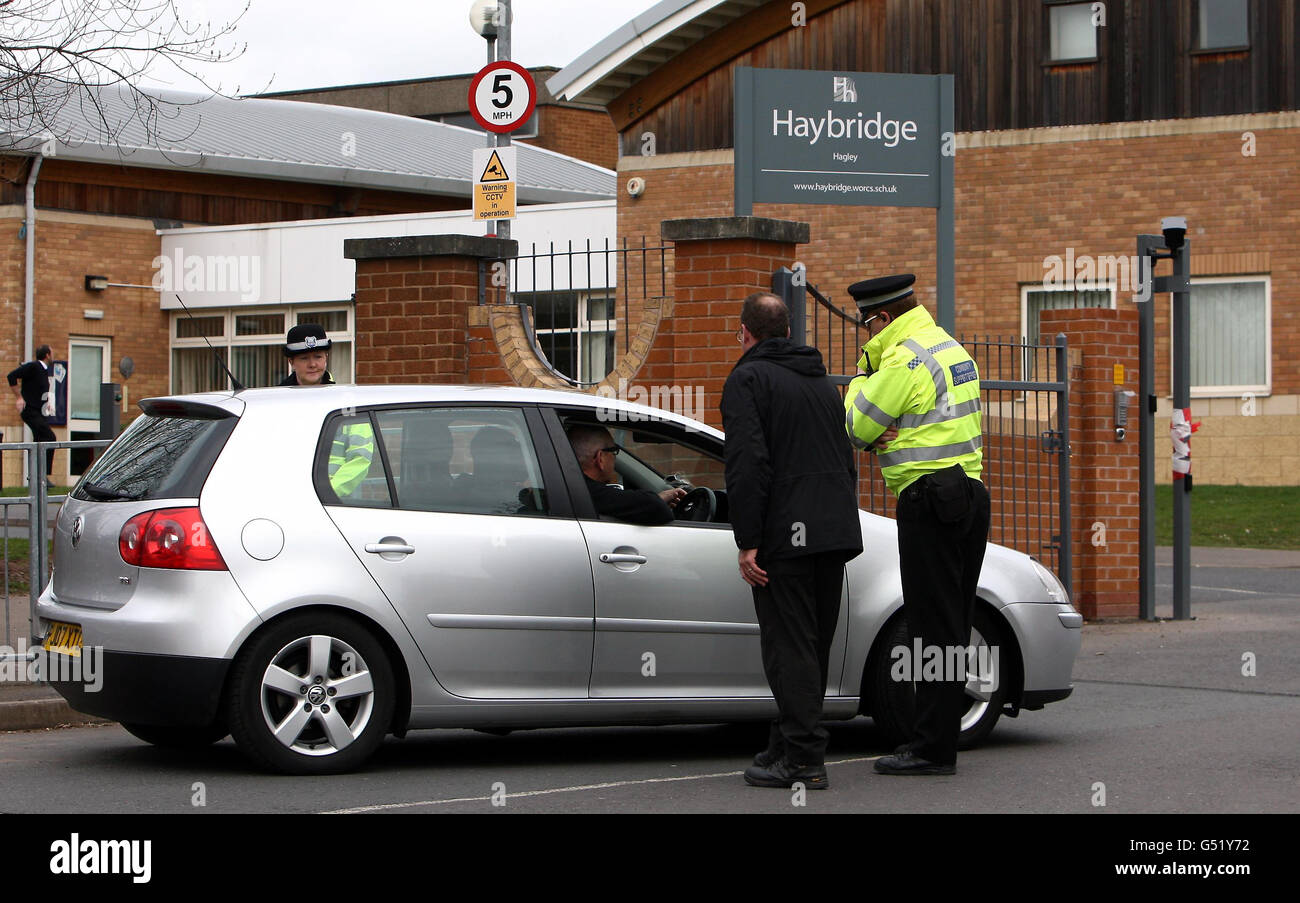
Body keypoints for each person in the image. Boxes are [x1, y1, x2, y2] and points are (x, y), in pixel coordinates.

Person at [843, 273, 990, 777]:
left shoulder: (903, 357)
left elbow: (857, 427)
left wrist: (863, 375)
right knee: (952, 623)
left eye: (867, 328)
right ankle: (940, 740)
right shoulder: (950, 347)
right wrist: (894, 423)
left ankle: (930, 748)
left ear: (882, 318)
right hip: (968, 494)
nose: (865, 338)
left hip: (928, 499)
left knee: (931, 627)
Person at [721, 292, 862, 790]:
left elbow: (747, 465)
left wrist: (749, 539)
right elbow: (846, 463)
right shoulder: (822, 383)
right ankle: (787, 741)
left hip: (786, 535)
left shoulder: (748, 380)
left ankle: (803, 759)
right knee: (813, 644)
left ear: (745, 333)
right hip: (832, 531)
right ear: (787, 332)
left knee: (788, 645)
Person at [280, 324, 372, 497]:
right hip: (290, 498)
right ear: (291, 361)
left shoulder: (348, 403)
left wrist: (326, 493)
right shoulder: (275, 404)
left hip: (338, 501)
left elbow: (361, 457)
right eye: (304, 358)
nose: (313, 364)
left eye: (318, 356)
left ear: (326, 357)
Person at [567, 425, 685, 524]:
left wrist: (658, 498)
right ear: (600, 458)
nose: (615, 457)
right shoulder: (588, 492)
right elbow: (657, 509)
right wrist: (657, 500)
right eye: (613, 451)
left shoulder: (567, 487)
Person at [8, 344, 57, 488]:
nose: (53, 356)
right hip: (29, 411)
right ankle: (43, 476)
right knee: (50, 437)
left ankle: (36, 478)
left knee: (39, 441)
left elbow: (36, 390)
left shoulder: (43, 370)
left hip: (38, 411)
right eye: (52, 353)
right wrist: (19, 397)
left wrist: (46, 402)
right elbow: (11, 376)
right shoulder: (34, 366)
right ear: (47, 355)